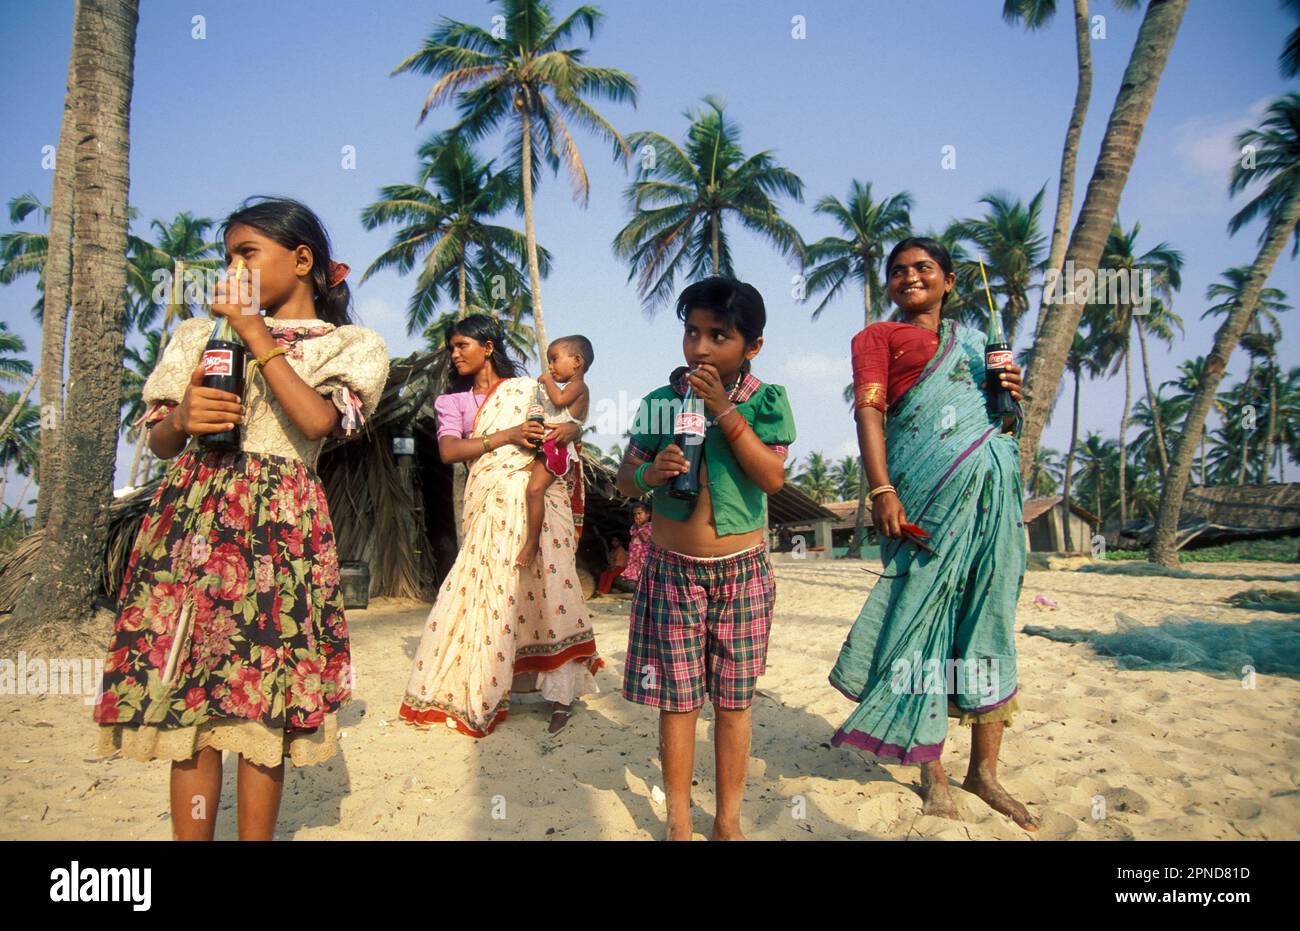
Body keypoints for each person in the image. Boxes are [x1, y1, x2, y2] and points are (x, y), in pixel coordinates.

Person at [93, 196, 389, 840]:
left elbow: (318, 423)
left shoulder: (351, 345)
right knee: (190, 700)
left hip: (280, 525)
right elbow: (163, 440)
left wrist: (256, 335)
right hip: (193, 521)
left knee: (264, 700)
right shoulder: (198, 336)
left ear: (302, 260)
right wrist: (181, 418)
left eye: (246, 253)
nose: (231, 267)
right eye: (227, 256)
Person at [829, 236, 1038, 831]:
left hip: (993, 492)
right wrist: (882, 490)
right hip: (923, 491)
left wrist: (1011, 397)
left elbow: (1001, 424)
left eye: (924, 268)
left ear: (950, 281)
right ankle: (933, 770)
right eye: (898, 271)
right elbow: (870, 411)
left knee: (988, 613)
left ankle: (985, 772)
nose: (909, 277)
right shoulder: (878, 338)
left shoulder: (979, 344)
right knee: (925, 616)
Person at [616, 276, 796, 840]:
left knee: (735, 702)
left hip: (742, 571)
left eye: (719, 335)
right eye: (692, 332)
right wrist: (651, 472)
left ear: (752, 346)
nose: (700, 347)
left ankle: (728, 820)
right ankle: (677, 821)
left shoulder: (766, 400)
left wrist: (723, 410)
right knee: (678, 700)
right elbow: (624, 478)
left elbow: (770, 476)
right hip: (672, 572)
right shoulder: (660, 403)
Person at [400, 314, 601, 737]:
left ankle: (561, 695)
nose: (455, 355)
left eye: (462, 346)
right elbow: (451, 451)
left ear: (488, 347)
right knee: (489, 591)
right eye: (452, 348)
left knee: (549, 589)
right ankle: (483, 685)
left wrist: (563, 432)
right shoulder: (452, 402)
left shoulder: (530, 387)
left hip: (539, 501)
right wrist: (508, 435)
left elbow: (567, 430)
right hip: (489, 504)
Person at [516, 336, 592, 569]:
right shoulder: (571, 386)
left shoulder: (577, 386)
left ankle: (532, 541)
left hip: (558, 448)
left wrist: (547, 380)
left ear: (577, 361)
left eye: (554, 360)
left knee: (535, 489)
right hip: (549, 445)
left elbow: (559, 401)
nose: (550, 366)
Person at [612, 502, 651, 593]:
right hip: (634, 557)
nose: (637, 516)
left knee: (643, 575)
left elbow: (645, 540)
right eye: (635, 514)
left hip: (643, 557)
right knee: (630, 576)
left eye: (639, 513)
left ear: (648, 514)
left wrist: (639, 527)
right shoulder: (633, 527)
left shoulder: (650, 526)